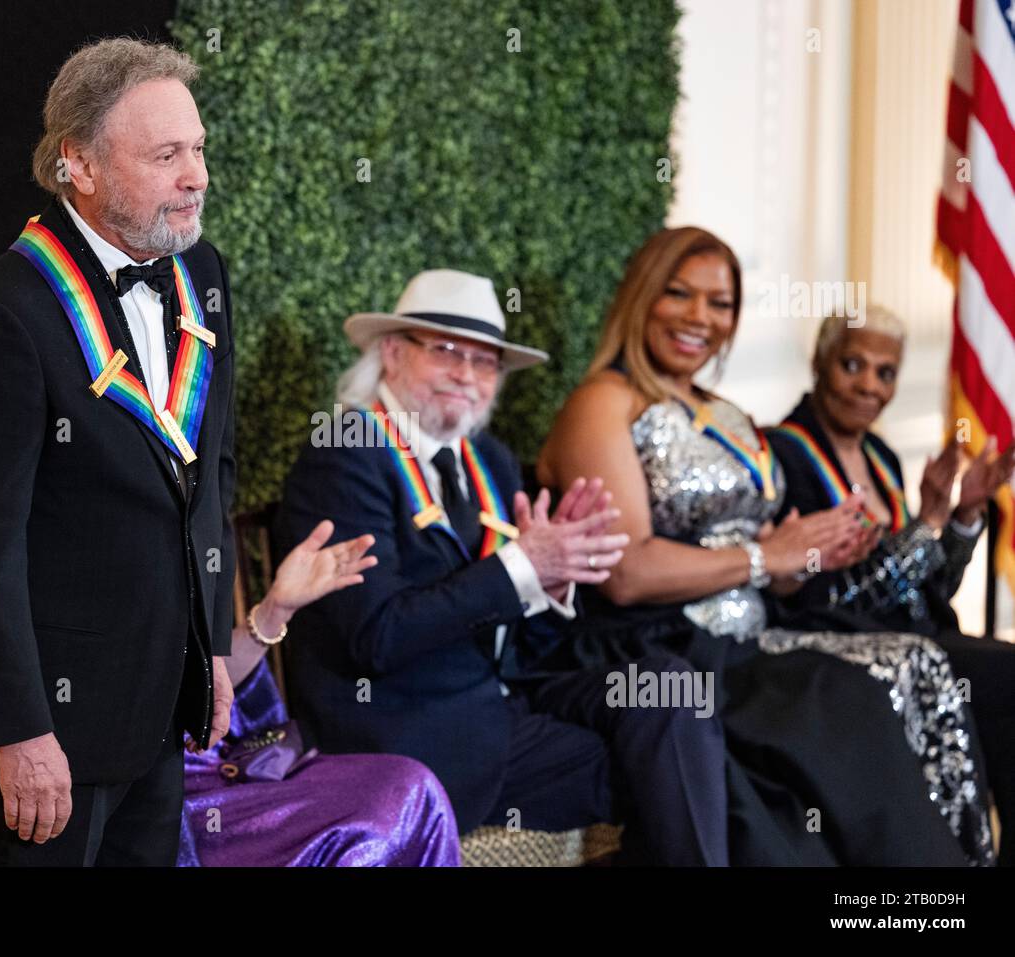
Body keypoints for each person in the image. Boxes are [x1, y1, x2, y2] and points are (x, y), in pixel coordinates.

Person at [537, 226, 994, 865]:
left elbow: (771, 560)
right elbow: (626, 572)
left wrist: (806, 552)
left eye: (719, 303)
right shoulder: (603, 402)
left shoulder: (722, 410)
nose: (700, 317)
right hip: (659, 641)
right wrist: (765, 558)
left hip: (751, 630)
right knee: (856, 692)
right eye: (679, 294)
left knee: (912, 669)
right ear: (642, 297)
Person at [274, 269, 732, 866]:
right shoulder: (346, 451)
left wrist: (553, 584)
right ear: (391, 352)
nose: (467, 375)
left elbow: (519, 640)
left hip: (503, 703)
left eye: (485, 362)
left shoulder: (488, 459)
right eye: (446, 352)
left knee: (673, 690)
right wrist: (521, 567)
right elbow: (376, 637)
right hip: (408, 732)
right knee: (673, 779)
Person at [0, 39, 237, 866]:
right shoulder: (5, 310)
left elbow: (212, 479)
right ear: (80, 165)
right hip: (50, 734)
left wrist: (213, 645)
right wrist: (21, 727)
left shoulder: (201, 271)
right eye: (167, 154)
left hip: (161, 710)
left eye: (198, 149)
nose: (196, 176)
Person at [767, 306, 1015, 864]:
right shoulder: (783, 453)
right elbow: (825, 598)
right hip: (841, 644)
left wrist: (961, 518)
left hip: (918, 635)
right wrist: (924, 526)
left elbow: (931, 588)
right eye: (852, 364)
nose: (869, 386)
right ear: (820, 364)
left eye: (885, 372)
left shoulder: (878, 455)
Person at [178, 519, 462, 866]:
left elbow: (208, 676)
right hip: (171, 793)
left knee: (413, 786)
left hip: (233, 761)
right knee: (367, 830)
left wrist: (273, 611)